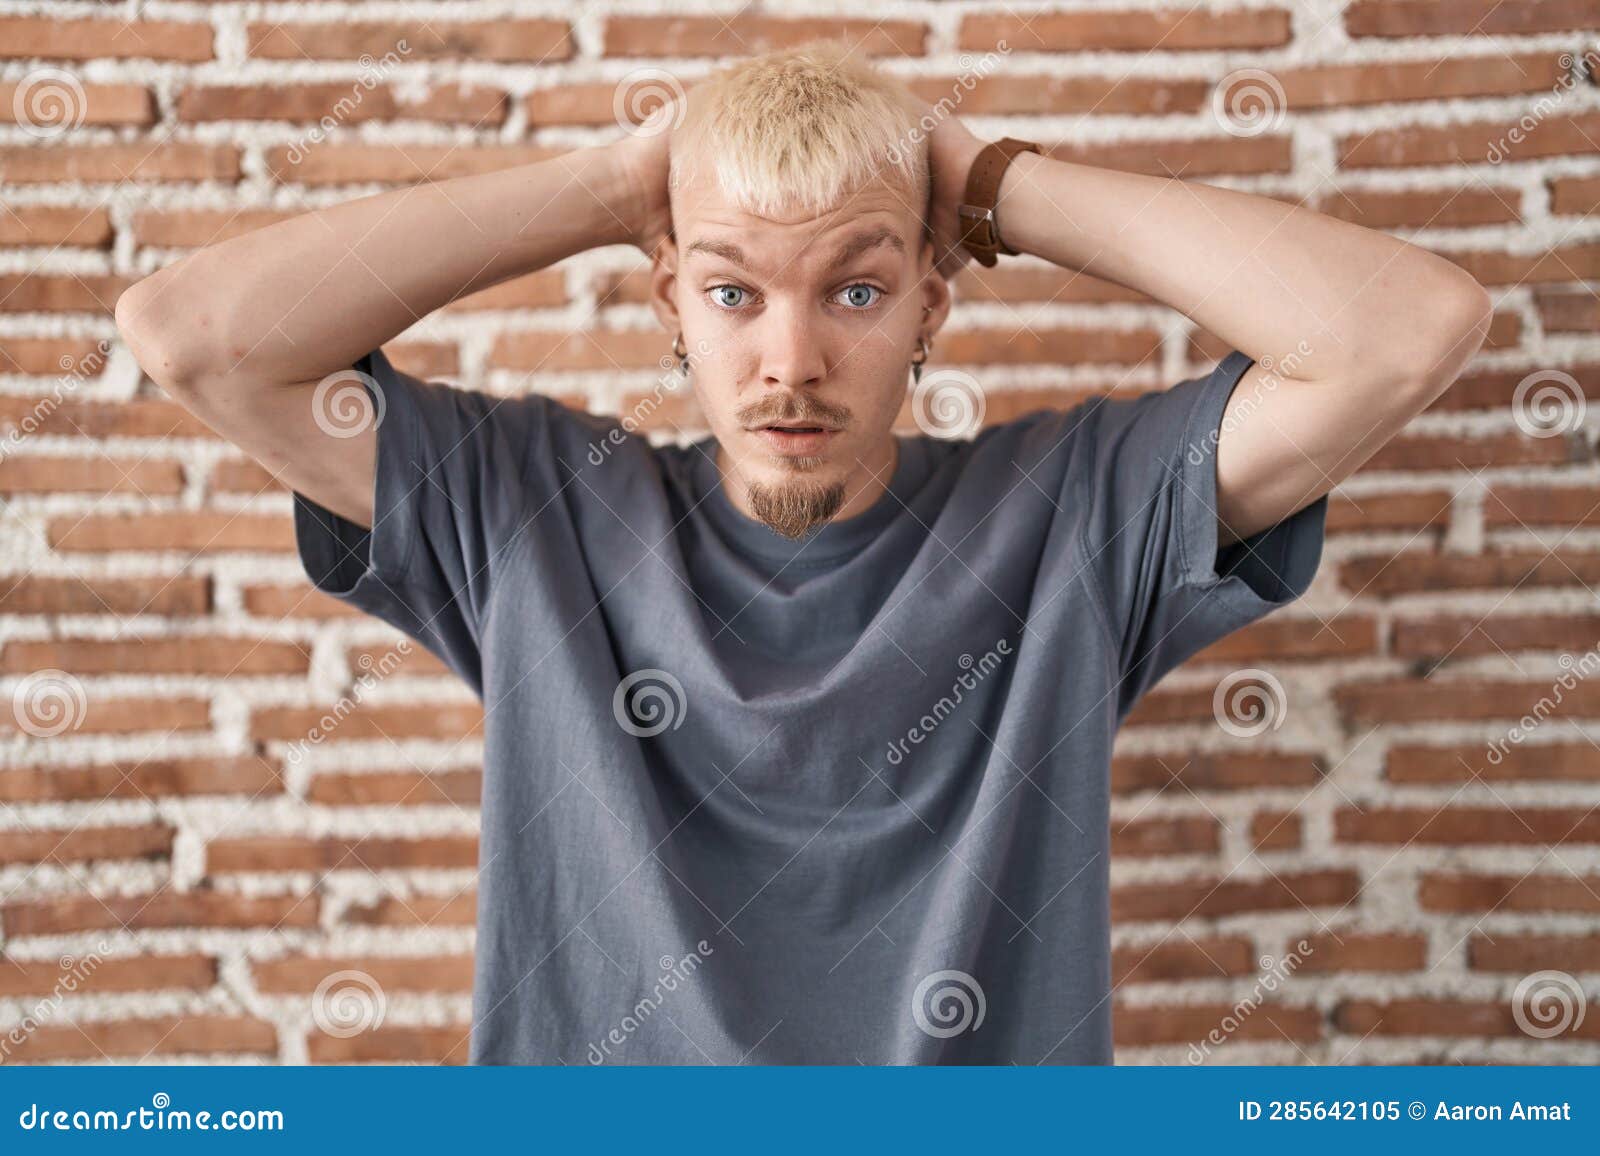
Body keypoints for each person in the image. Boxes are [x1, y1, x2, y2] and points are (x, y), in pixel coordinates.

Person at [114, 40, 1491, 1064]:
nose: (791, 362)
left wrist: (991, 181)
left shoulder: (1074, 509)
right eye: (730, 290)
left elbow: (1407, 329)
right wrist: (614, 182)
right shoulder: (530, 507)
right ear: (668, 298)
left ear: (931, 302)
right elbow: (193, 335)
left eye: (857, 287)